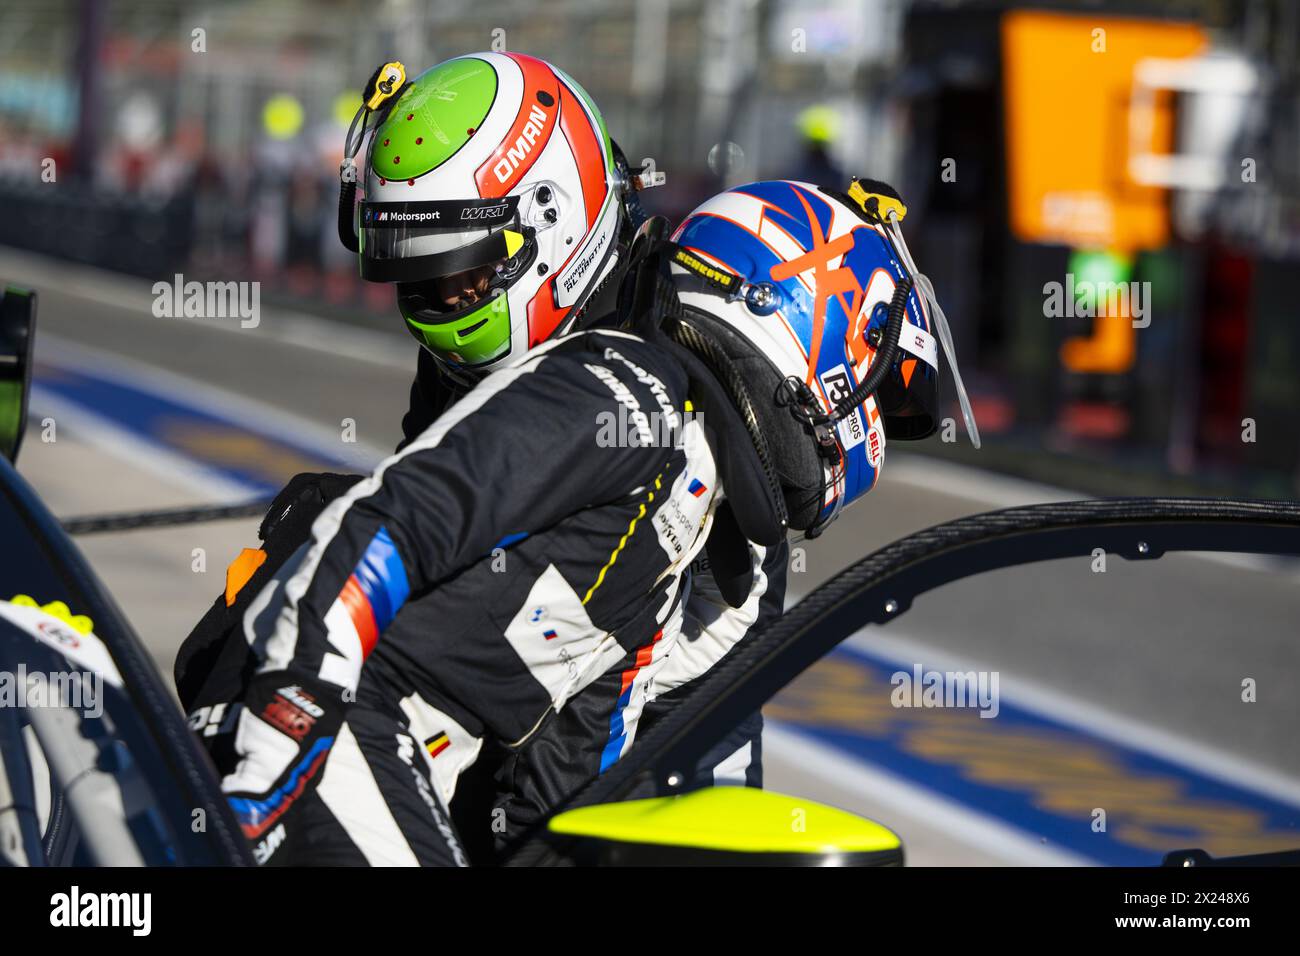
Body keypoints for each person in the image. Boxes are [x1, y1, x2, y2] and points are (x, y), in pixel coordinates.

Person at [177, 175, 978, 866]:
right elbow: (396, 519)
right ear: (812, 314)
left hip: (367, 738)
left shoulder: (691, 509)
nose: (872, 418)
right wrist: (291, 720)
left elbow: (577, 778)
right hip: (317, 721)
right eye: (877, 387)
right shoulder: (627, 390)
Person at [175, 53, 775, 862]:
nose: (440, 298)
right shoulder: (488, 346)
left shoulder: (669, 405)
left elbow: (638, 721)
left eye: (462, 271)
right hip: (401, 724)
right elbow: (418, 524)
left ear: (553, 218)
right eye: (417, 276)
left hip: (568, 742)